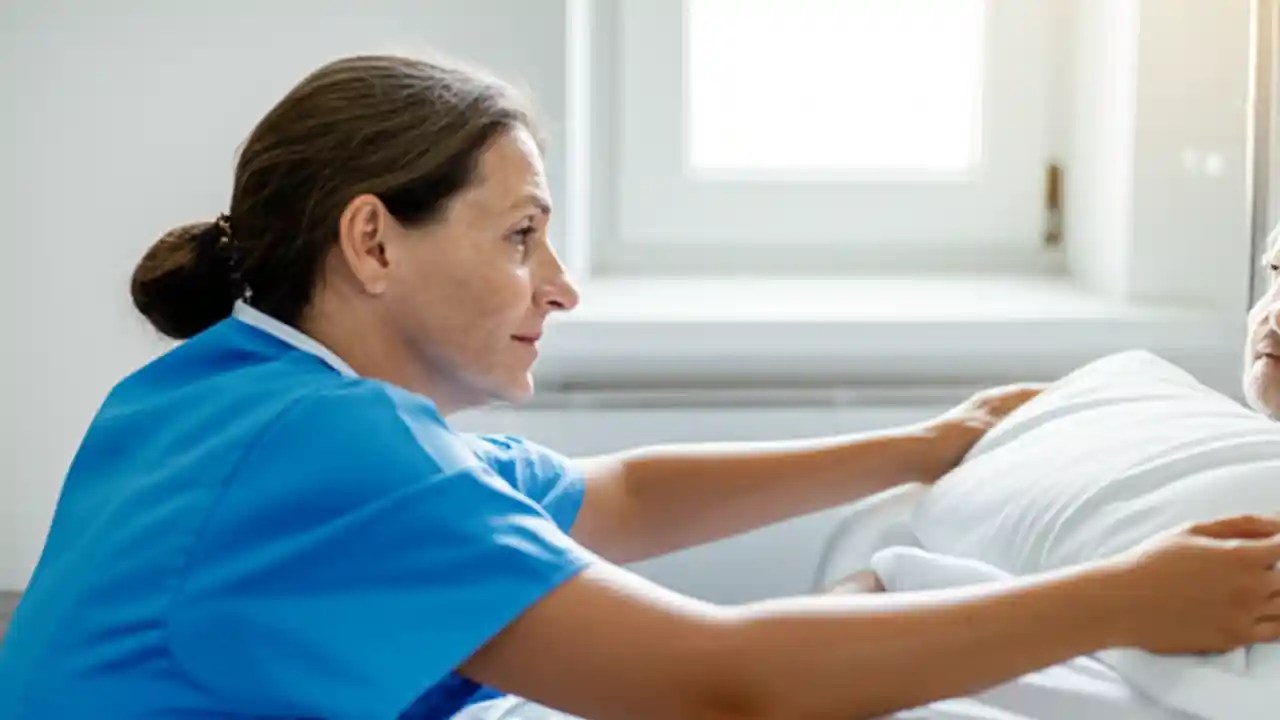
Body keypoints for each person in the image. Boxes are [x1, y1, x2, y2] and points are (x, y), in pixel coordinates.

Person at [1, 54, 1278, 720]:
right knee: (847, 648)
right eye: (519, 238)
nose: (560, 288)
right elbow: (718, 681)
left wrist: (921, 445)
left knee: (878, 603)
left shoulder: (230, 396)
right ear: (373, 242)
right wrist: (1124, 597)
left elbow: (606, 495)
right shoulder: (325, 452)